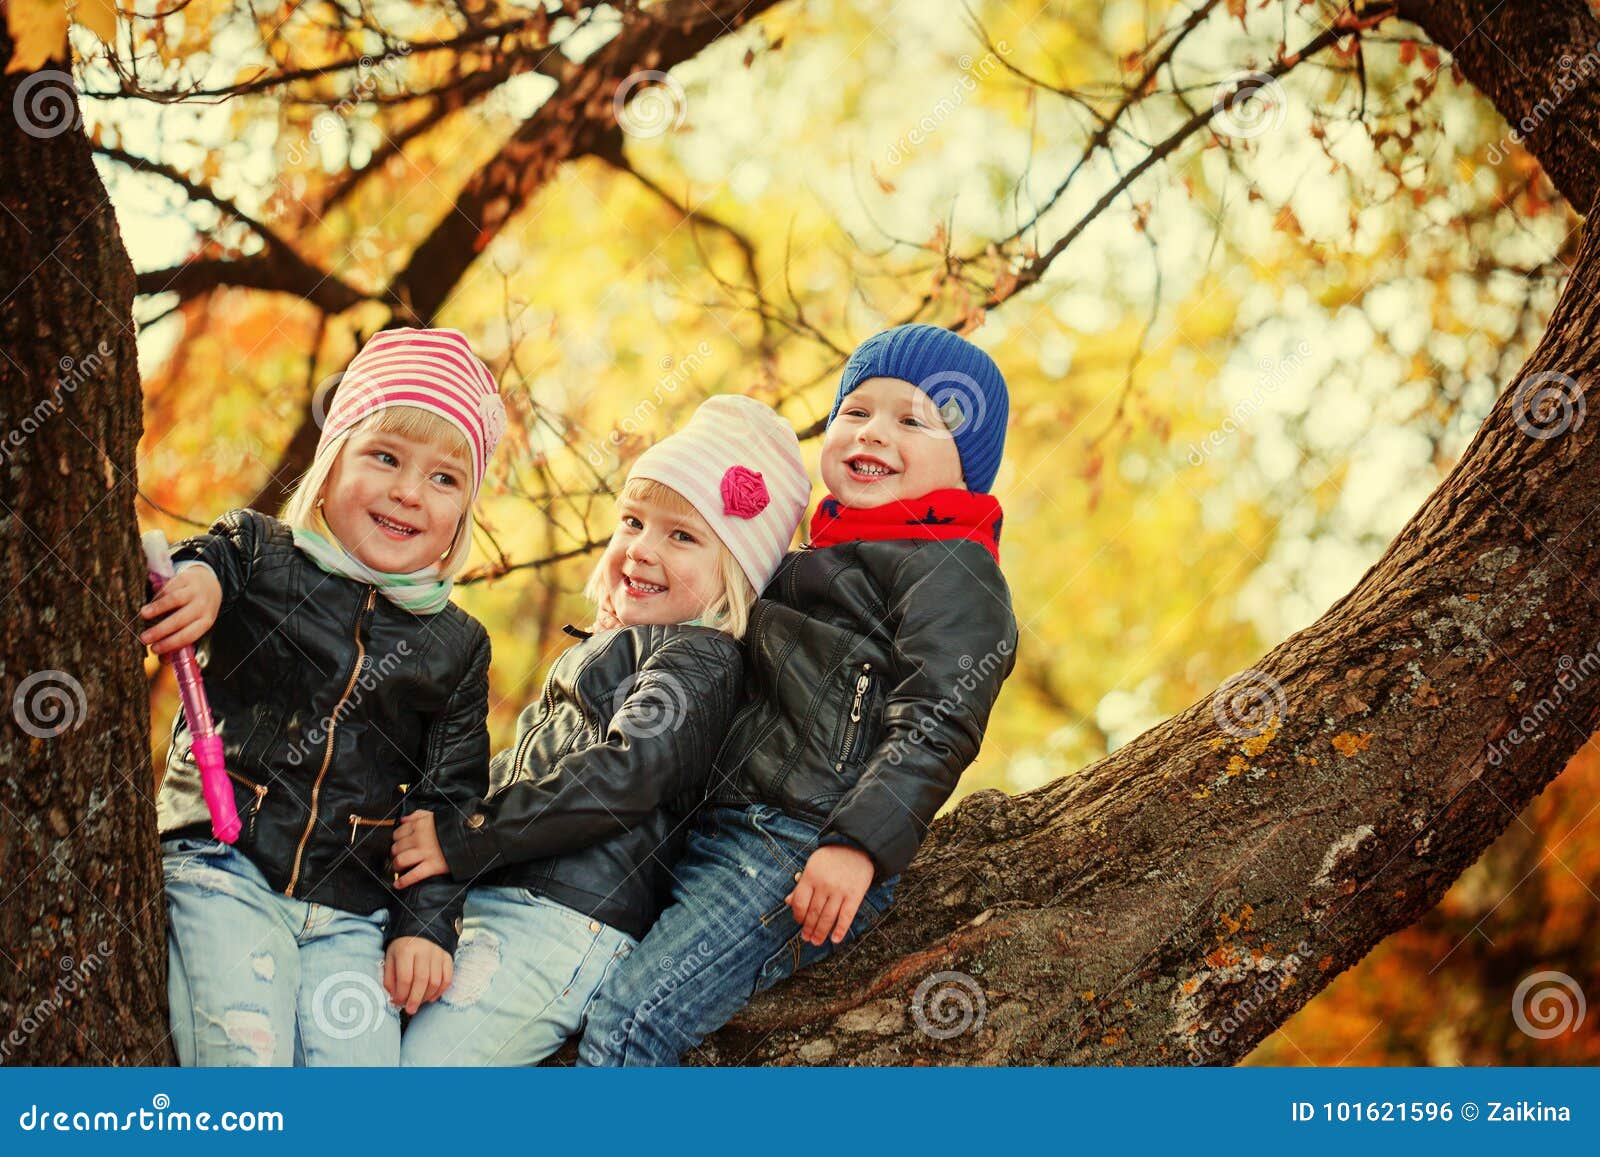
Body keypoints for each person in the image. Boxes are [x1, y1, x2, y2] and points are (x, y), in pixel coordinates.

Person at [578, 323, 1020, 1065]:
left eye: (911, 420)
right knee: (580, 988)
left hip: (794, 844)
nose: (874, 432)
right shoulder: (799, 561)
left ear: (965, 469)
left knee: (630, 1022)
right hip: (709, 826)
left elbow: (938, 719)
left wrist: (858, 843)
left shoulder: (953, 568)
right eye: (856, 412)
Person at [392, 394, 811, 1065]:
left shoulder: (698, 657)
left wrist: (470, 832)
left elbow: (627, 774)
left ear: (734, 575)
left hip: (564, 919)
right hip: (507, 899)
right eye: (633, 521)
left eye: (682, 536)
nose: (642, 550)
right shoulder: (607, 648)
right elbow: (521, 771)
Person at [142, 327, 505, 1065]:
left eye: (445, 478)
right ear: (332, 458)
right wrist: (202, 581)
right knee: (246, 1054)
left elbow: (444, 800)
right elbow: (207, 559)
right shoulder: (261, 554)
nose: (410, 491)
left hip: (349, 914)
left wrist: (423, 926)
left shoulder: (457, 645)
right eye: (386, 457)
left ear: (464, 509)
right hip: (224, 864)